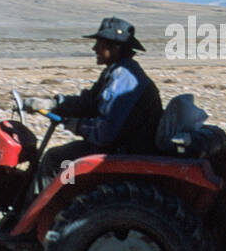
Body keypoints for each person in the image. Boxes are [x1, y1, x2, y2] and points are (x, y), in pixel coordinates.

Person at [20, 17, 162, 201]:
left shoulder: (123, 77)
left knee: (55, 161)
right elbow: (88, 103)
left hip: (124, 151)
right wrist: (53, 104)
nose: (94, 48)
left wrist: (75, 125)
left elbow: (105, 133)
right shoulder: (116, 71)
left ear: (115, 47)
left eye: (99, 43)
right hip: (122, 148)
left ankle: (43, 216)